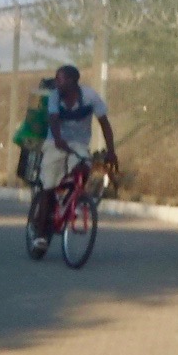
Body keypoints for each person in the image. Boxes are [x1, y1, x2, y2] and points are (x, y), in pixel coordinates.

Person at [32, 64, 118, 250]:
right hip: (55, 142)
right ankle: (40, 235)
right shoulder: (55, 96)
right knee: (49, 186)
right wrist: (58, 138)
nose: (57, 82)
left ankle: (75, 201)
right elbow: (54, 119)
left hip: (78, 143)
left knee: (83, 167)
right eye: (56, 79)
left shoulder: (90, 96)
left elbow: (104, 123)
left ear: (73, 81)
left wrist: (111, 151)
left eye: (60, 79)